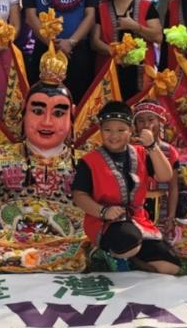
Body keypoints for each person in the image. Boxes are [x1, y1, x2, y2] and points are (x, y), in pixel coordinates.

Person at [72, 102, 180, 275]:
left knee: (170, 266)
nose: (114, 136)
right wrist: (103, 211)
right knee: (128, 241)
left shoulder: (141, 153)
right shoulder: (89, 161)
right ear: (100, 131)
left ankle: (129, 258)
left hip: (138, 220)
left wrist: (152, 147)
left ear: (131, 131)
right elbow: (79, 195)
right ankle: (107, 252)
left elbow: (165, 176)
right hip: (104, 222)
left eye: (121, 130)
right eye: (108, 130)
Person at [90, 0, 161, 101]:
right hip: (109, 73)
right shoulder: (101, 9)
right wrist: (115, 52)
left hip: (141, 75)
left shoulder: (147, 6)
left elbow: (158, 37)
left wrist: (135, 26)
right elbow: (94, 42)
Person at [133, 101, 182, 236]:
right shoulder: (129, 149)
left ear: (160, 122)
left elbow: (173, 187)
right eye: (141, 121)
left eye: (151, 120)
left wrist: (171, 217)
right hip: (135, 210)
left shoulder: (170, 151)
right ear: (135, 125)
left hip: (161, 211)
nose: (146, 125)